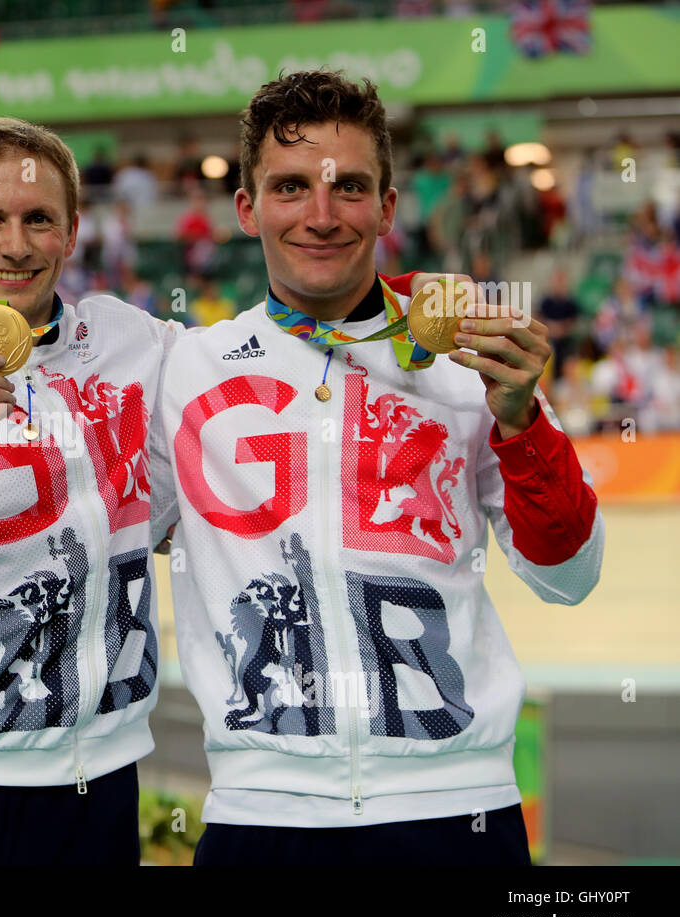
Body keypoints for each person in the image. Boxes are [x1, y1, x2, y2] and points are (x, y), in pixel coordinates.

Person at [0, 114, 432, 865]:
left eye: (39, 218)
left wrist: (419, 301)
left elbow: (289, 328)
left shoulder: (146, 347)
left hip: (96, 789)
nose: (15, 245)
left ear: (73, 232)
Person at [158, 70, 603, 865]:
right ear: (247, 208)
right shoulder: (185, 367)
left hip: (456, 810)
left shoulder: (474, 354)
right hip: (264, 816)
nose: (321, 216)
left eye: (350, 187)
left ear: (388, 207)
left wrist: (523, 423)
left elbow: (569, 575)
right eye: (290, 187)